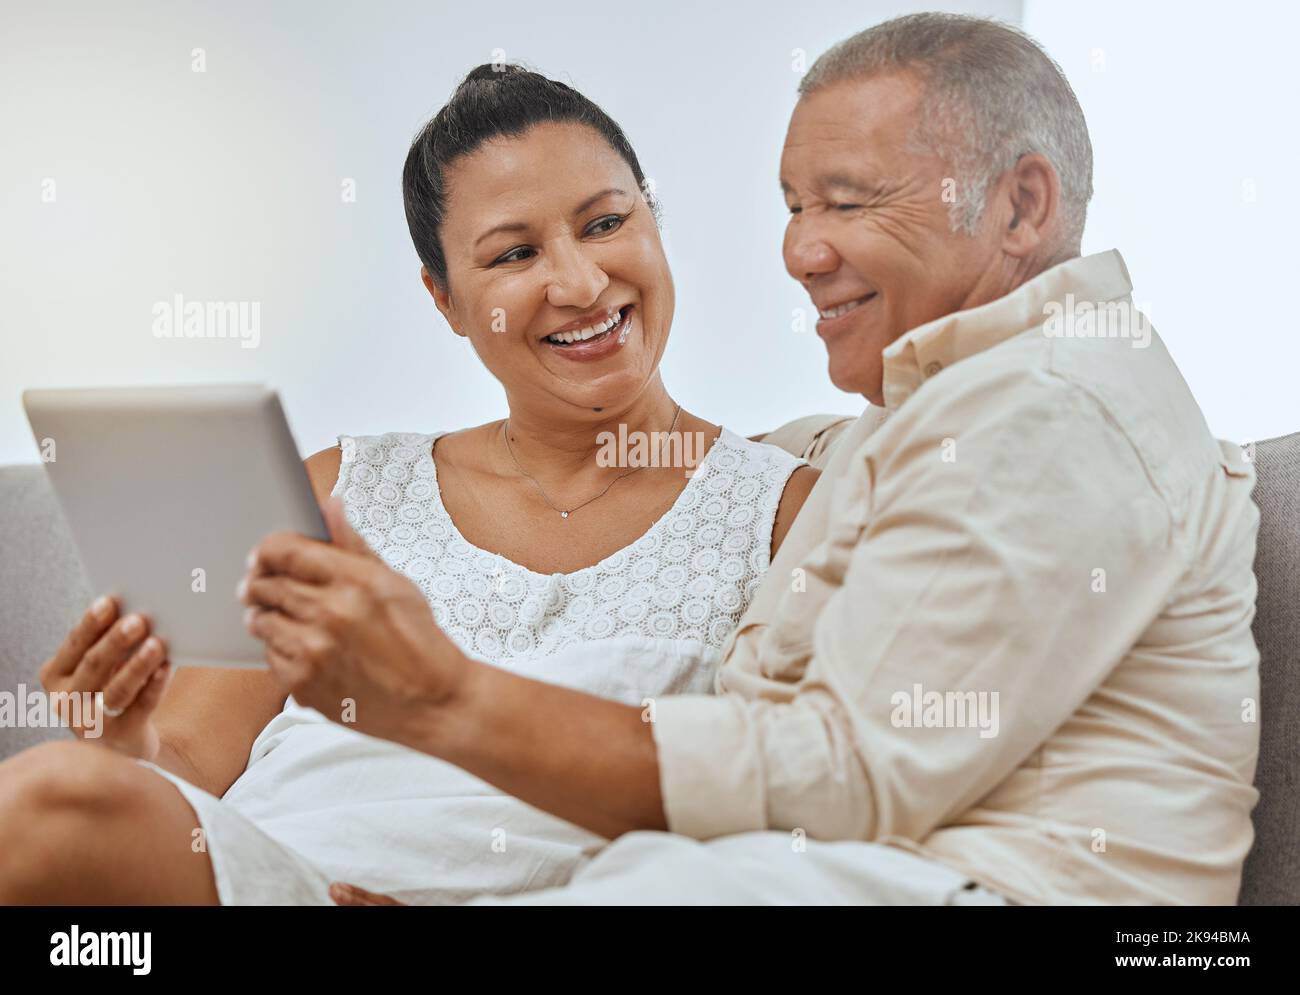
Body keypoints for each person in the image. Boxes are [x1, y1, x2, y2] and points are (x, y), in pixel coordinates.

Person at [322, 13, 1261, 906]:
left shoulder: (1050, 408)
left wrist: (449, 699)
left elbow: (844, 774)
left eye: (848, 202)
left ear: (1021, 207)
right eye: (795, 205)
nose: (800, 251)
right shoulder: (939, 403)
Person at [0, 66, 818, 904]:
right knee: (60, 796)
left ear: (655, 221)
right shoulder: (340, 492)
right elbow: (186, 765)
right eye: (515, 253)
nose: (578, 284)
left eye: (605, 222)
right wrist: (120, 741)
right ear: (445, 300)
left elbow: (812, 806)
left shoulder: (790, 516)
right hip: (257, 878)